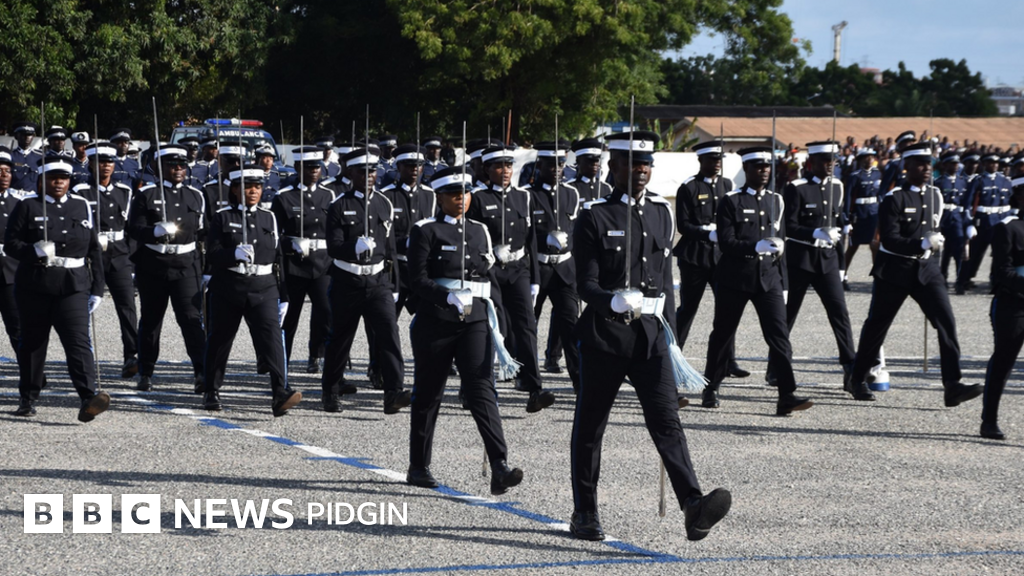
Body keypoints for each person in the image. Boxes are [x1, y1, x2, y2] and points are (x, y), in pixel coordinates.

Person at [569, 130, 730, 542]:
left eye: (646, 163)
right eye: (631, 163)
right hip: (606, 337)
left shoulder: (662, 213)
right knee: (591, 426)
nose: (641, 170)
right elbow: (583, 284)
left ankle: (693, 506)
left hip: (651, 339)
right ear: (614, 167)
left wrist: (673, 340)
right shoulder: (593, 216)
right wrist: (609, 301)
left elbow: (667, 283)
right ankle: (585, 511)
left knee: (667, 422)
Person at [405, 166, 524, 494]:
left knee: (481, 389)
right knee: (429, 394)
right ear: (439, 198)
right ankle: (419, 465)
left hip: (474, 321)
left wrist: (496, 315)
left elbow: (488, 277)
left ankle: (499, 465)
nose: (462, 200)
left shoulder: (479, 231)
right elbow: (416, 280)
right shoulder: (425, 231)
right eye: (455, 195)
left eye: (466, 194)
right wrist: (446, 296)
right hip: (436, 322)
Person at [847, 142, 982, 407]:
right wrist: (919, 243)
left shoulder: (936, 195)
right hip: (895, 270)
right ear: (906, 167)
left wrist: (933, 251)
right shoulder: (894, 197)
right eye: (920, 164)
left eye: (929, 163)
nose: (926, 168)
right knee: (877, 326)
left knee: (947, 322)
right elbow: (888, 239)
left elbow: (935, 230)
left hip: (927, 270)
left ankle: (952, 385)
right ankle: (857, 378)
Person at [701, 147, 814, 415]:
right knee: (723, 335)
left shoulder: (776, 200)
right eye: (757, 167)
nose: (763, 171)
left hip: (769, 279)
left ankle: (787, 394)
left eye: (767, 167)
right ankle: (711, 386)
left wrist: (784, 283)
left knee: (779, 337)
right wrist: (756, 246)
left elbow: (782, 244)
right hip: (735, 278)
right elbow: (726, 243)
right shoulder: (730, 201)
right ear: (747, 170)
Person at [7, 152, 110, 421]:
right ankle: (28, 397)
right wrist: (33, 250)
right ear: (41, 180)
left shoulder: (82, 205)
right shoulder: (28, 206)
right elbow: (11, 245)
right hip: (35, 285)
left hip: (72, 285)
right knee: (32, 343)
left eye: (63, 178)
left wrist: (98, 288)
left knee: (78, 342)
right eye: (52, 178)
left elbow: (93, 250)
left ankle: (88, 397)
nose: (58, 183)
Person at [201, 164, 301, 416]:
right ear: (234, 189)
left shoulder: (269, 217)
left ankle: (280, 392)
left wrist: (284, 294)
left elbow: (278, 258)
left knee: (272, 339)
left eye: (257, 186)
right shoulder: (223, 217)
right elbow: (211, 254)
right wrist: (232, 254)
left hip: (264, 286)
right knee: (221, 339)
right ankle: (211, 389)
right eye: (247, 186)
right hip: (230, 286)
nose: (253, 191)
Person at [321, 146, 411, 414]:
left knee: (389, 336)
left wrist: (394, 284)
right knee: (340, 339)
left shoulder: (384, 202)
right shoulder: (339, 204)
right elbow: (333, 246)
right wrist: (354, 248)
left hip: (378, 282)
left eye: (372, 171)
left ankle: (393, 391)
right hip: (347, 280)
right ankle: (331, 390)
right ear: (351, 172)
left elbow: (391, 247)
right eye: (363, 171)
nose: (369, 175)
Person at [466, 145, 555, 412]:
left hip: (519, 268)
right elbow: (469, 236)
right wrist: (489, 255)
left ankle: (533, 387)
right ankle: (474, 387)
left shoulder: (523, 198)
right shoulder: (478, 198)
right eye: (498, 166)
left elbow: (530, 241)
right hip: (490, 269)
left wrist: (535, 278)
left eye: (508, 166)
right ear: (486, 170)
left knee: (527, 326)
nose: (504, 171)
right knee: (495, 327)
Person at [778, 141, 859, 397]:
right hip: (800, 260)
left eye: (833, 161)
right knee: (786, 317)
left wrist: (842, 263)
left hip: (827, 261)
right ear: (812, 162)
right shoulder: (796, 188)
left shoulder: (838, 186)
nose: (830, 165)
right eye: (825, 161)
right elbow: (787, 226)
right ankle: (776, 365)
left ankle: (851, 372)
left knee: (840, 315)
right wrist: (813, 232)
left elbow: (837, 219)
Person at [128, 145, 207, 392]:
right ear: (160, 167)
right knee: (151, 320)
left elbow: (203, 231)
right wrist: (153, 232)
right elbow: (132, 229)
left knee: (192, 320)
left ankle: (201, 372)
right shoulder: (146, 194)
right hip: (154, 264)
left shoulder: (196, 195)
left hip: (186, 264)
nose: (178, 169)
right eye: (173, 165)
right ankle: (146, 371)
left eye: (182, 165)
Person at [674, 140, 748, 379]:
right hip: (695, 256)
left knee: (728, 310)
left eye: (719, 160)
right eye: (712, 160)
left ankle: (729, 361)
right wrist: (708, 232)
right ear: (701, 161)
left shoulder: (727, 185)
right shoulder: (689, 187)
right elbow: (683, 226)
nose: (716, 164)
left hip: (721, 258)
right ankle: (674, 357)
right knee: (688, 309)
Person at [72, 142, 140, 379]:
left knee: (127, 306)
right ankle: (86, 360)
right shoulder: (80, 191)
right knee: (85, 306)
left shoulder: (125, 191)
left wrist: (128, 255)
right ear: (90, 163)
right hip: (91, 255)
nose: (106, 166)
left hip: (119, 254)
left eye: (109, 162)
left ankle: (132, 355)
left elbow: (132, 228)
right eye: (100, 162)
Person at [272, 146, 337, 375]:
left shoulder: (328, 195)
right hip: (294, 265)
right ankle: (282, 362)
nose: (313, 172)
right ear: (298, 167)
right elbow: (274, 235)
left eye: (317, 167)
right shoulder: (283, 196)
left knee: (325, 313)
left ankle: (318, 356)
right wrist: (291, 243)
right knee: (289, 317)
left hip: (323, 264)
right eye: (308, 167)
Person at [528, 141, 581, 389]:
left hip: (564, 270)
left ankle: (579, 378)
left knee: (571, 325)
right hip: (537, 268)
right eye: (551, 164)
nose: (557, 168)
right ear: (539, 165)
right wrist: (543, 239)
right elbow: (520, 234)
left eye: (560, 164)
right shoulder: (527, 195)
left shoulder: (572, 193)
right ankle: (526, 375)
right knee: (528, 325)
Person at [981, 175, 1024, 440]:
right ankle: (989, 420)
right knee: (1004, 361)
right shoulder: (1008, 227)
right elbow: (1001, 272)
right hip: (1013, 304)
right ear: (1019, 194)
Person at [957, 152, 1012, 294]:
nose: (993, 165)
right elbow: (967, 203)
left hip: (1000, 222)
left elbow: (1009, 201)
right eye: (990, 163)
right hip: (982, 222)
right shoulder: (978, 180)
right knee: (975, 253)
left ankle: (996, 281)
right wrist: (969, 223)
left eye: (996, 163)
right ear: (984, 164)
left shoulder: (1004, 180)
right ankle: (963, 280)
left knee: (999, 254)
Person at [842, 148, 883, 289]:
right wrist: (846, 218)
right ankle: (843, 275)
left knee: (875, 246)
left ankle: (878, 278)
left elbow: (881, 193)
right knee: (853, 246)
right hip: (859, 214)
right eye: (866, 157)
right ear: (860, 160)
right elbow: (848, 197)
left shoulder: (878, 174)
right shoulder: (855, 176)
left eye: (871, 156)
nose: (870, 159)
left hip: (873, 212)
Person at [0, 147, 26, 351]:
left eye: (7, 171)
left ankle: (29, 371)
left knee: (17, 325)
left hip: (10, 272)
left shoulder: (19, 202)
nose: (4, 175)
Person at [936, 151, 969, 286]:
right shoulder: (939, 182)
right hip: (942, 217)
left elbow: (966, 202)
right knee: (940, 250)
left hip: (957, 218)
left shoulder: (963, 182)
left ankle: (960, 280)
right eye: (952, 163)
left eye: (956, 163)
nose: (955, 166)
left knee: (958, 250)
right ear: (945, 165)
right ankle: (941, 277)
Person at [566, 139, 611, 204]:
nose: (594, 163)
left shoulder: (606, 188)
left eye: (597, 160)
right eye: (590, 160)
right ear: (578, 161)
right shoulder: (569, 188)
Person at [10, 122, 42, 193]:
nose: (27, 137)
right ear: (16, 136)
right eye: (23, 134)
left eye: (30, 135)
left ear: (33, 137)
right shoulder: (10, 156)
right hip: (13, 196)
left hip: (32, 197)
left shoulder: (40, 157)